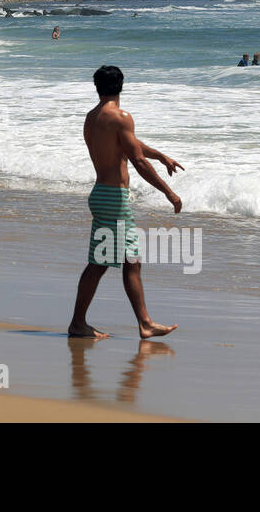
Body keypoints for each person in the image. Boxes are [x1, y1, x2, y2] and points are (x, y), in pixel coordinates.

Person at [69, 65, 183, 340]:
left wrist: (161, 156)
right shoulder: (121, 117)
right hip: (114, 198)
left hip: (101, 194)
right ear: (121, 86)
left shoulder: (92, 117)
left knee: (110, 261)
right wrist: (168, 192)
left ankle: (85, 323)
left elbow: (130, 144)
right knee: (118, 261)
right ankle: (140, 324)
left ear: (97, 86)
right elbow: (137, 160)